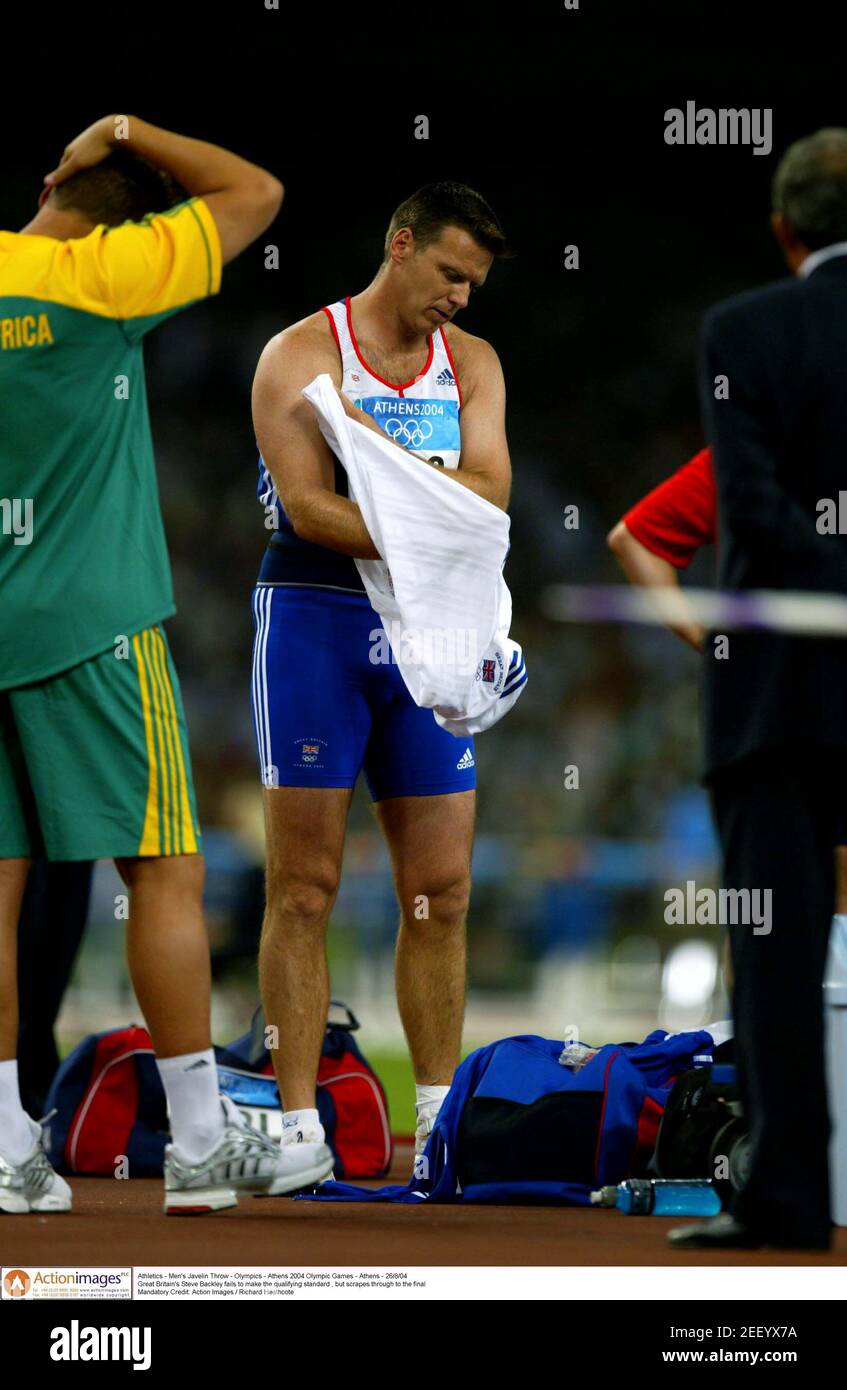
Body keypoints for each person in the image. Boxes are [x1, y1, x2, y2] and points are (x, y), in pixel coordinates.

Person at [0, 114, 334, 1215]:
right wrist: (127, 127)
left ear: (52, 182)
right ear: (134, 215)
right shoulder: (104, 274)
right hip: (92, 620)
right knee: (163, 868)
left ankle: (6, 1142)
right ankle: (197, 1139)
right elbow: (257, 190)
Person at [251, 182, 512, 1163]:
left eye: (474, 283)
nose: (460, 298)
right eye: (451, 274)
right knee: (305, 887)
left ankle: (441, 1123)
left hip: (430, 633)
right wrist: (433, 521)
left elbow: (490, 494)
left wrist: (410, 507)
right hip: (315, 620)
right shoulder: (299, 354)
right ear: (399, 246)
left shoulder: (472, 364)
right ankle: (292, 1126)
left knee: (440, 890)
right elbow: (306, 512)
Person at [666, 127, 847, 1250]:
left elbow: (757, 518)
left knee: (775, 956)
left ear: (786, 232)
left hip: (782, 698)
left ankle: (785, 1198)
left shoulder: (743, 329)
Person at [608, 452, 847, 953]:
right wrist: (714, 647)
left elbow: (632, 540)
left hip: (774, 716)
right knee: (780, 901)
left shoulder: (758, 453)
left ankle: (763, 1024)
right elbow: (634, 539)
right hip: (786, 718)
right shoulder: (757, 458)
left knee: (768, 905)